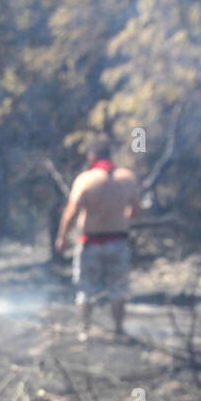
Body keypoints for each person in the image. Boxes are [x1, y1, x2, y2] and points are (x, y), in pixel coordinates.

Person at [56, 135, 139, 339]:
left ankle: (85, 328)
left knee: (86, 287)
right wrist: (120, 218)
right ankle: (118, 328)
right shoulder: (127, 178)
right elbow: (135, 209)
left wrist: (62, 237)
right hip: (118, 241)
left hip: (90, 242)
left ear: (91, 157)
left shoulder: (85, 179)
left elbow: (72, 211)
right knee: (119, 288)